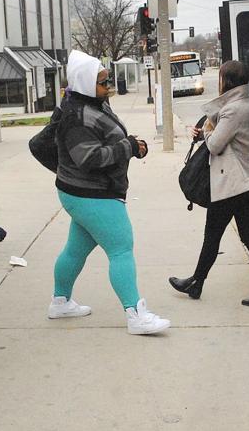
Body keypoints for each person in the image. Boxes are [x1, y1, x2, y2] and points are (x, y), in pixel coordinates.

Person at [48, 50, 169, 335]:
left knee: (75, 250)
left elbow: (105, 142)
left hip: (81, 193)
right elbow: (89, 158)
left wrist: (131, 146)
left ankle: (60, 302)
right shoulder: (77, 116)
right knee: (121, 249)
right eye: (102, 82)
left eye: (107, 79)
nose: (108, 85)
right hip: (93, 194)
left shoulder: (90, 104)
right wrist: (127, 147)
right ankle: (136, 315)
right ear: (85, 83)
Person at [169, 60, 249, 307]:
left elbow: (216, 145)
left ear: (226, 80)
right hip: (248, 182)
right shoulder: (248, 104)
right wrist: (206, 132)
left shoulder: (233, 110)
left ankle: (196, 282)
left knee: (213, 235)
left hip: (232, 184)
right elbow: (229, 138)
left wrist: (206, 132)